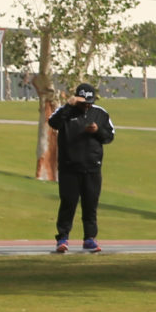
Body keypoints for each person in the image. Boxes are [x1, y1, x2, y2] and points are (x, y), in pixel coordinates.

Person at [48, 81, 115, 254]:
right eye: (84, 102)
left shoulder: (100, 113)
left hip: (92, 168)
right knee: (68, 203)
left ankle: (89, 239)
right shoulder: (66, 112)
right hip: (69, 167)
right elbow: (53, 123)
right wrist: (68, 106)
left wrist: (97, 131)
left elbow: (109, 136)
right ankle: (62, 238)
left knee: (90, 205)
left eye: (90, 102)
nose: (87, 105)